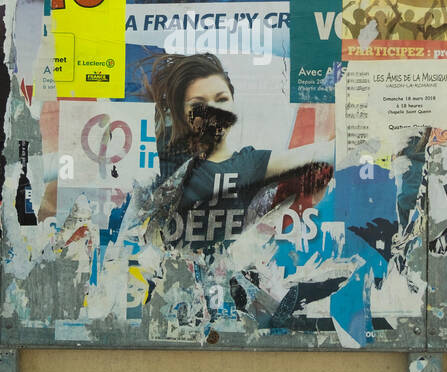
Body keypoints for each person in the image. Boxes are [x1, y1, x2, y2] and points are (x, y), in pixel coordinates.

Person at [141, 52, 331, 249]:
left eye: (222, 99)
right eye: (199, 104)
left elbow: (321, 156)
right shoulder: (162, 163)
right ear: (181, 111)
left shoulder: (250, 164)